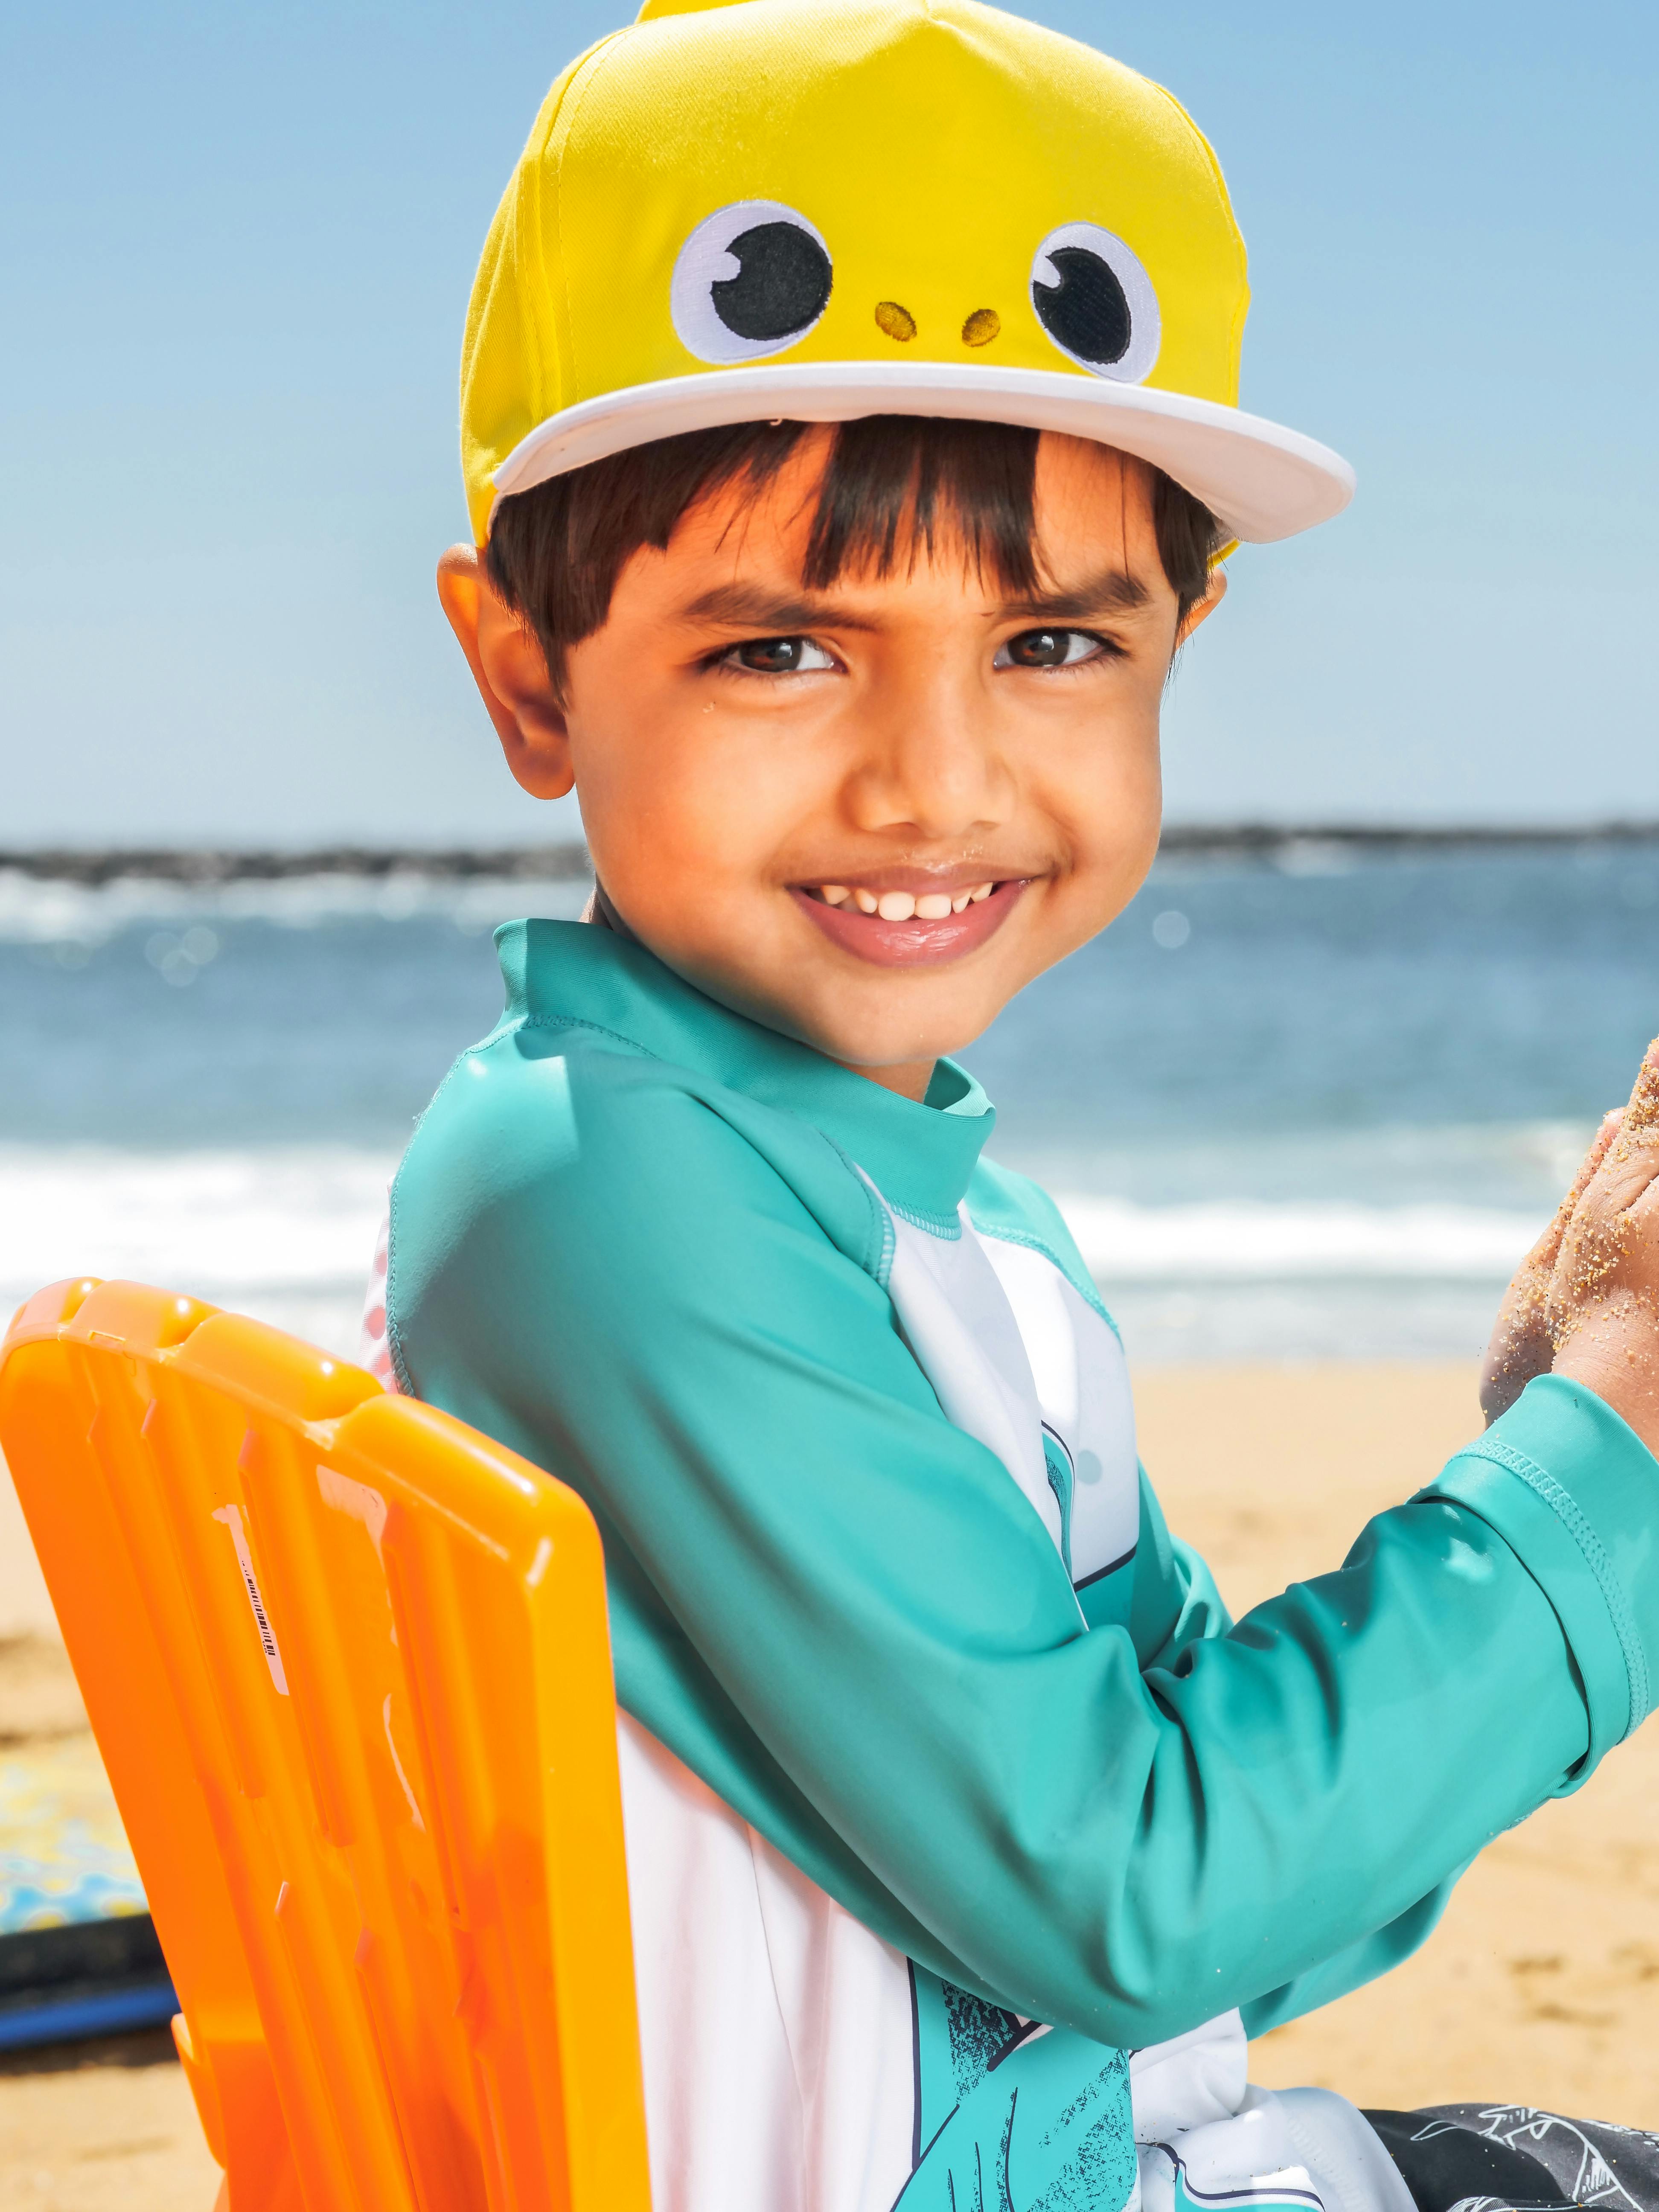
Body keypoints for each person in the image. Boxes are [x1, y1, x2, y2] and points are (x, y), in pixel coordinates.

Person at [371, 3, 1659, 2208]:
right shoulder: (608, 1192)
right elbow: (1129, 1905)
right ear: (527, 679)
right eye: (780, 644)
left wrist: (1564, 1418)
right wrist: (1624, 1429)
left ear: (1188, 635)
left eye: (1055, 643)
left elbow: (1232, 1888)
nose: (933, 777)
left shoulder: (886, 1193)